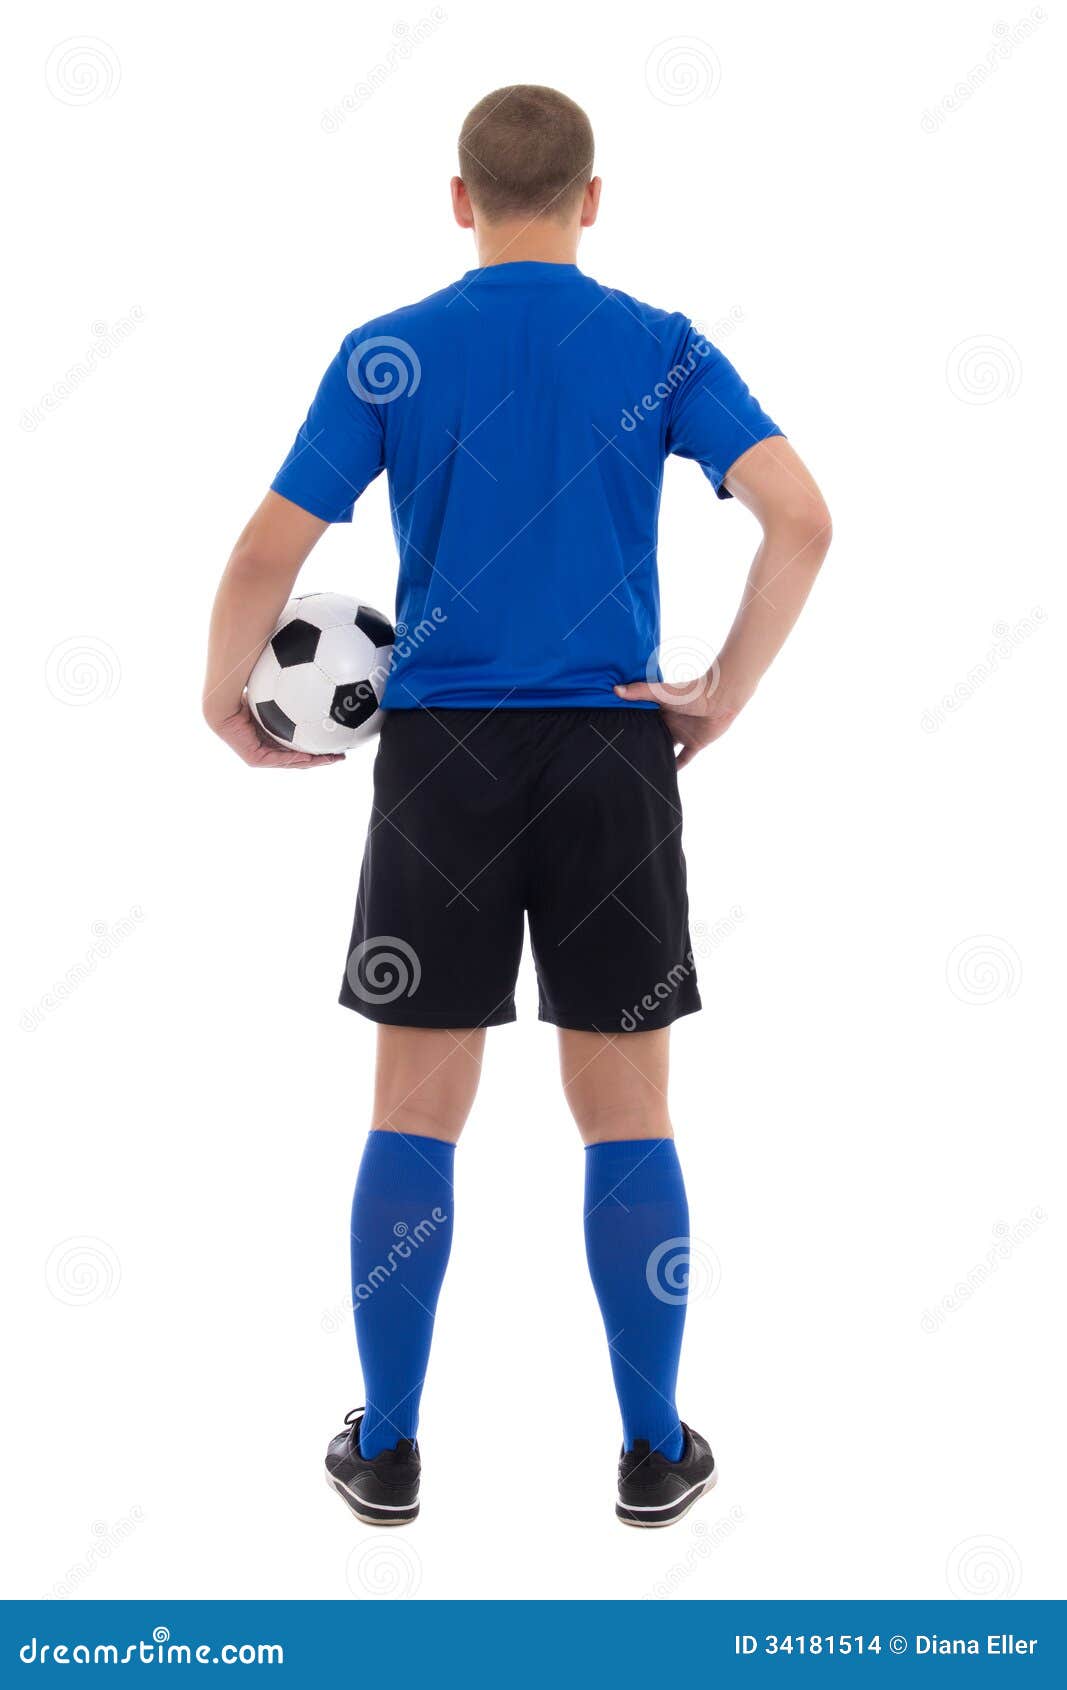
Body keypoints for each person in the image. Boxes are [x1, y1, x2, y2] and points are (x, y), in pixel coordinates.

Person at [203, 84, 831, 1529]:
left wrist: (221, 694)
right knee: (628, 1116)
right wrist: (721, 687)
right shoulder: (660, 349)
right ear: (593, 199)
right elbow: (804, 514)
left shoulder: (390, 353)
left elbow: (258, 555)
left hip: (442, 767)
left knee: (417, 1113)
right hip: (612, 759)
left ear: (459, 198)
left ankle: (393, 1449)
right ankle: (657, 1449)